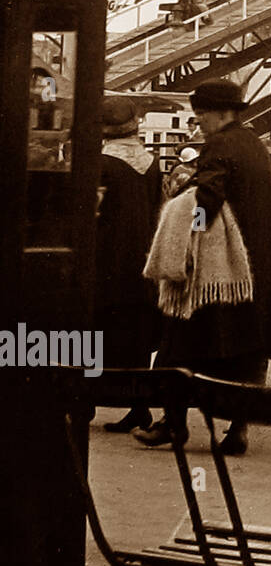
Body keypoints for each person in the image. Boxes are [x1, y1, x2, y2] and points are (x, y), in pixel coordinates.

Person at [138, 78, 271, 456]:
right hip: (256, 271)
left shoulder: (219, 146)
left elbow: (205, 205)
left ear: (222, 113)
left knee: (179, 347)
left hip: (220, 273)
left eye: (201, 115)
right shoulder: (253, 144)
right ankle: (237, 430)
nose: (198, 122)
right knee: (247, 355)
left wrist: (185, 228)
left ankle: (173, 425)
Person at [94, 96, 163, 433]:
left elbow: (92, 215)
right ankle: (138, 406)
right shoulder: (151, 162)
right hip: (142, 263)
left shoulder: (100, 163)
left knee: (95, 330)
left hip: (106, 262)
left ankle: (86, 399)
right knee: (135, 336)